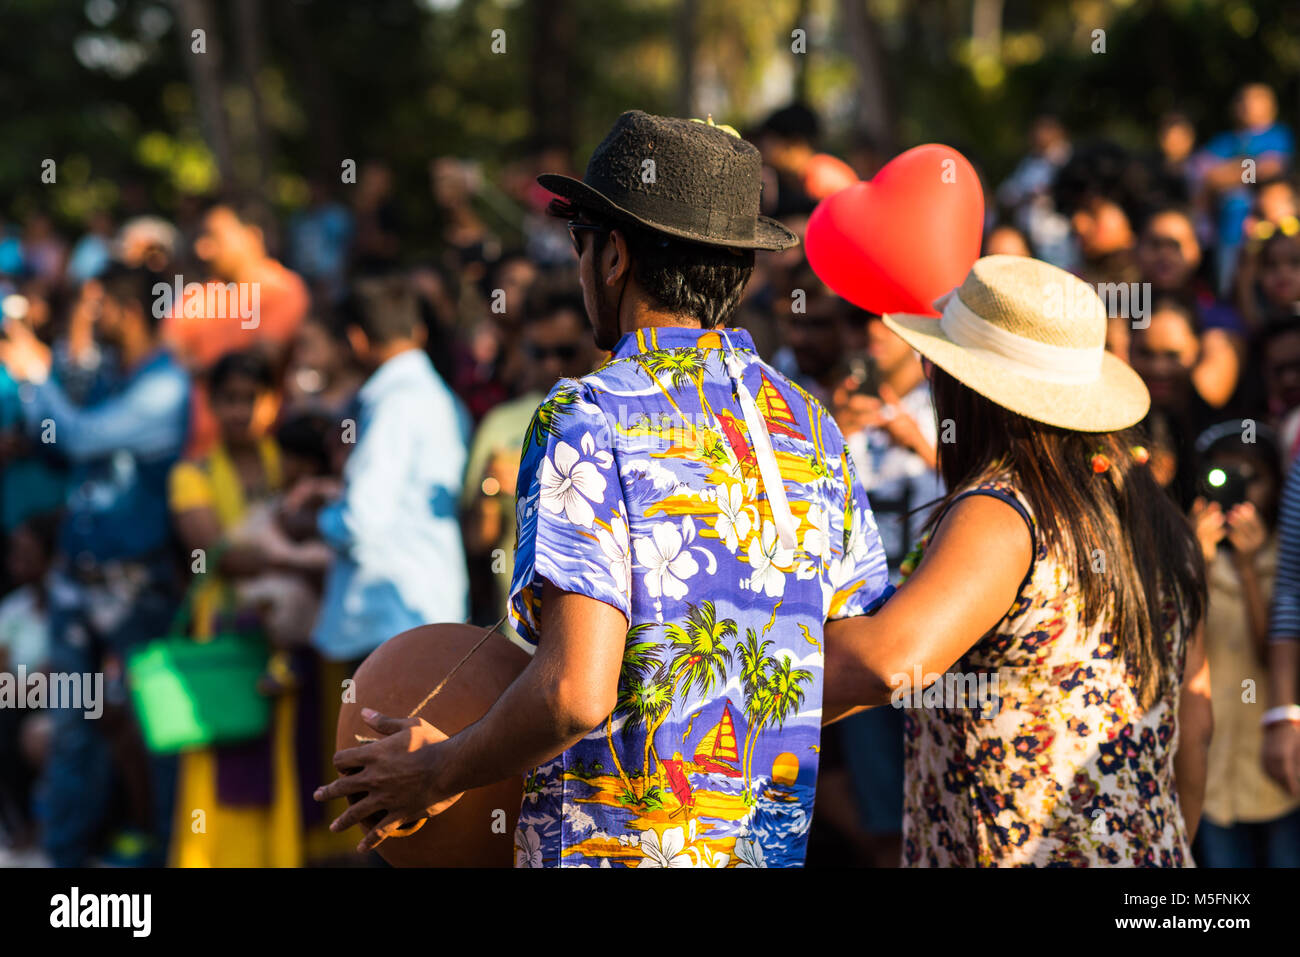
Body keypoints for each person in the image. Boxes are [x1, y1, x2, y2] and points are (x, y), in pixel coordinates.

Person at [315, 111, 891, 867]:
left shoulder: (588, 413)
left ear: (612, 255)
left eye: (579, 242)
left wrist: (435, 771)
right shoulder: (809, 422)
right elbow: (860, 659)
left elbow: (575, 693)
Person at [822, 255, 1210, 866]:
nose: (928, 373)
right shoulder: (1158, 519)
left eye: (937, 364)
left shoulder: (1004, 511)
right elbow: (1198, 718)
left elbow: (887, 665)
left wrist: (709, 696)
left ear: (967, 388)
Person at [0, 263, 191, 867]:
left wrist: (37, 380)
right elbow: (53, 439)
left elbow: (80, 438)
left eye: (98, 305)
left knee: (153, 727)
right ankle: (66, 864)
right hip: (76, 584)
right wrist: (40, 386)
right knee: (73, 728)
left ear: (130, 312)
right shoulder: (108, 376)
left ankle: (163, 854)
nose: (89, 316)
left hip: (137, 591)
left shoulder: (166, 387)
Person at [306, 275, 470, 664]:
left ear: (357, 339)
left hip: (388, 617)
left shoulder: (393, 406)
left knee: (372, 725)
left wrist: (317, 521)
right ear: (418, 331)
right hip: (429, 606)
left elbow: (362, 519)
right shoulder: (443, 400)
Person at [1188, 421, 1300, 866]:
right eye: (1222, 473)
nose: (1238, 486)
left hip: (1272, 769)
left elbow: (1270, 652)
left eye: (1252, 476)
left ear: (1280, 484)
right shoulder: (1192, 550)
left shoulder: (1284, 558)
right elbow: (1180, 649)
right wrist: (1199, 565)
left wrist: (1251, 569)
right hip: (1213, 771)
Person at [460, 288, 600, 637]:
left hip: (594, 635)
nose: (552, 364)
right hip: (520, 638)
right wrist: (491, 490)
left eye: (564, 352)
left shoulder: (609, 415)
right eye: (540, 353)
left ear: (589, 345)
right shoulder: (501, 422)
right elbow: (478, 541)